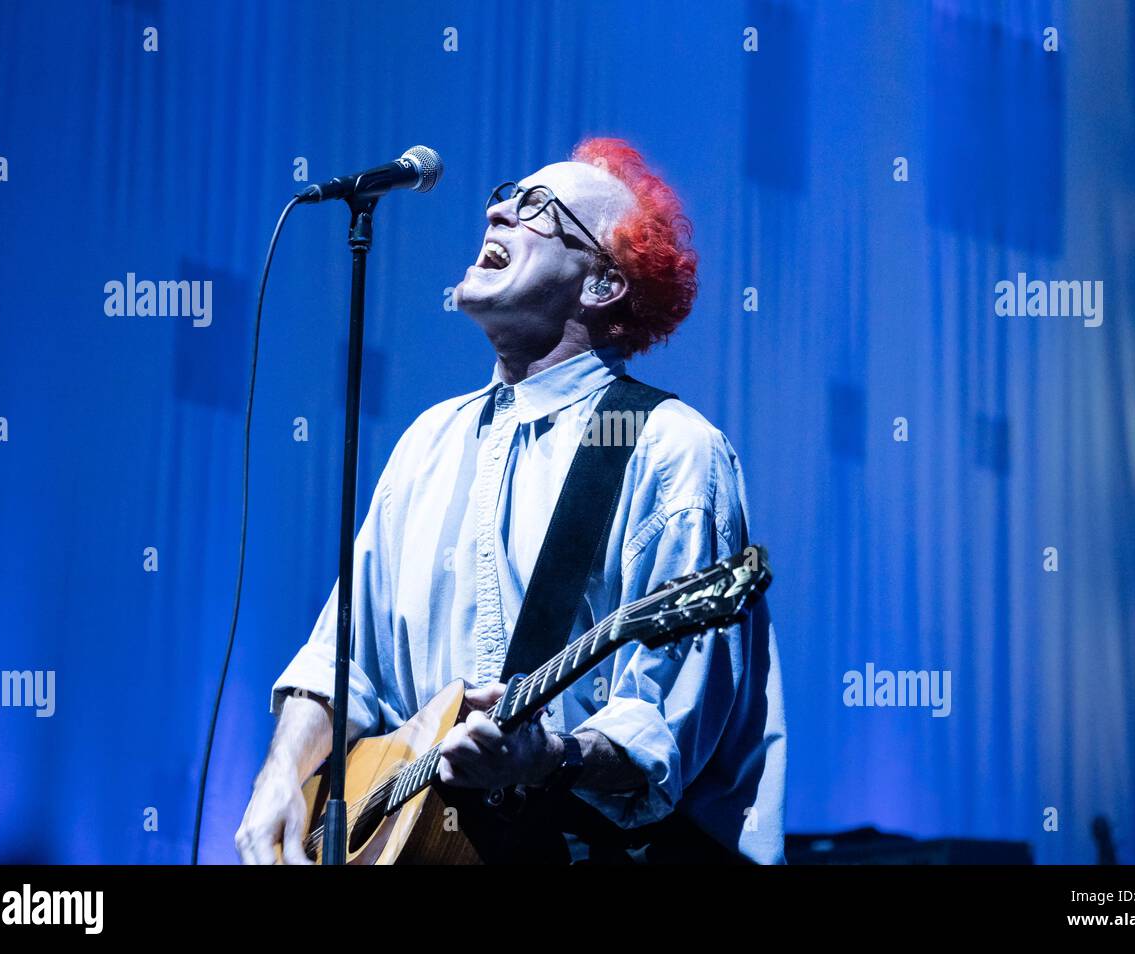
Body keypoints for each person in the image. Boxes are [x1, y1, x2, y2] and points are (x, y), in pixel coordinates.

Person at [235, 138, 786, 864]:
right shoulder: (429, 441)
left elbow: (660, 733)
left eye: (538, 210)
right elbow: (343, 664)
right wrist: (279, 778)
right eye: (506, 195)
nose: (496, 210)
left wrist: (548, 756)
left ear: (600, 286)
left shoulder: (668, 448)